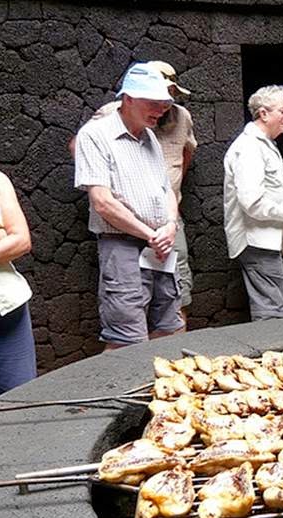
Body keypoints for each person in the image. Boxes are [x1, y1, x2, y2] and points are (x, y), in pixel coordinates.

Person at [70, 61, 198, 327]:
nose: (162, 109)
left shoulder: (150, 135)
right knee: (127, 333)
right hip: (124, 241)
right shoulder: (96, 132)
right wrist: (151, 234)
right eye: (154, 101)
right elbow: (103, 202)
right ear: (128, 99)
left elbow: (168, 189)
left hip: (162, 242)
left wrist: (170, 226)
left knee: (169, 323)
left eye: (164, 102)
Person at [223, 85, 283, 321]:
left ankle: (273, 356)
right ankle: (272, 357)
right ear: (263, 114)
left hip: (264, 239)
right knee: (272, 311)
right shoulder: (249, 147)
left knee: (274, 306)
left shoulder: (263, 144)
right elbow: (251, 201)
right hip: (256, 241)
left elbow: (266, 188)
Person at [0, 164, 36, 399]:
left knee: (19, 396)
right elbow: (7, 236)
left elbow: (21, 240)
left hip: (5, 305)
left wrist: (5, 237)